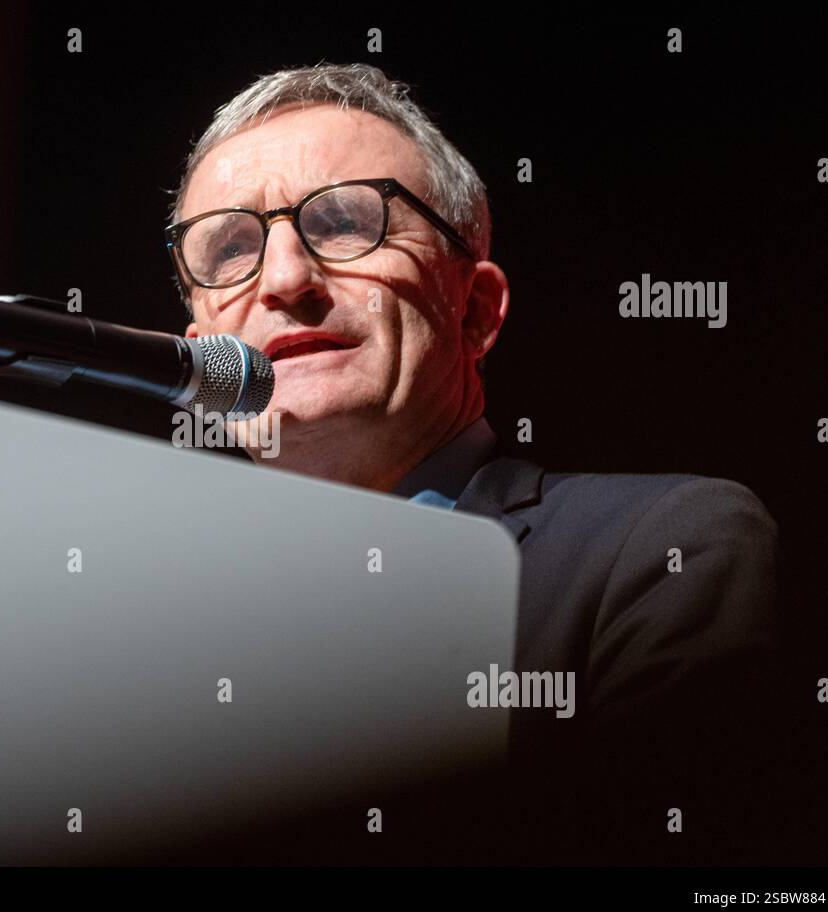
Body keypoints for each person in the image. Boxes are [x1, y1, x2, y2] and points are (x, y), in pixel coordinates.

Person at [163, 63, 784, 863]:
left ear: (478, 310)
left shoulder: (662, 548)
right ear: (194, 359)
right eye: (232, 248)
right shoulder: (146, 624)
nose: (285, 279)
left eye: (347, 223)